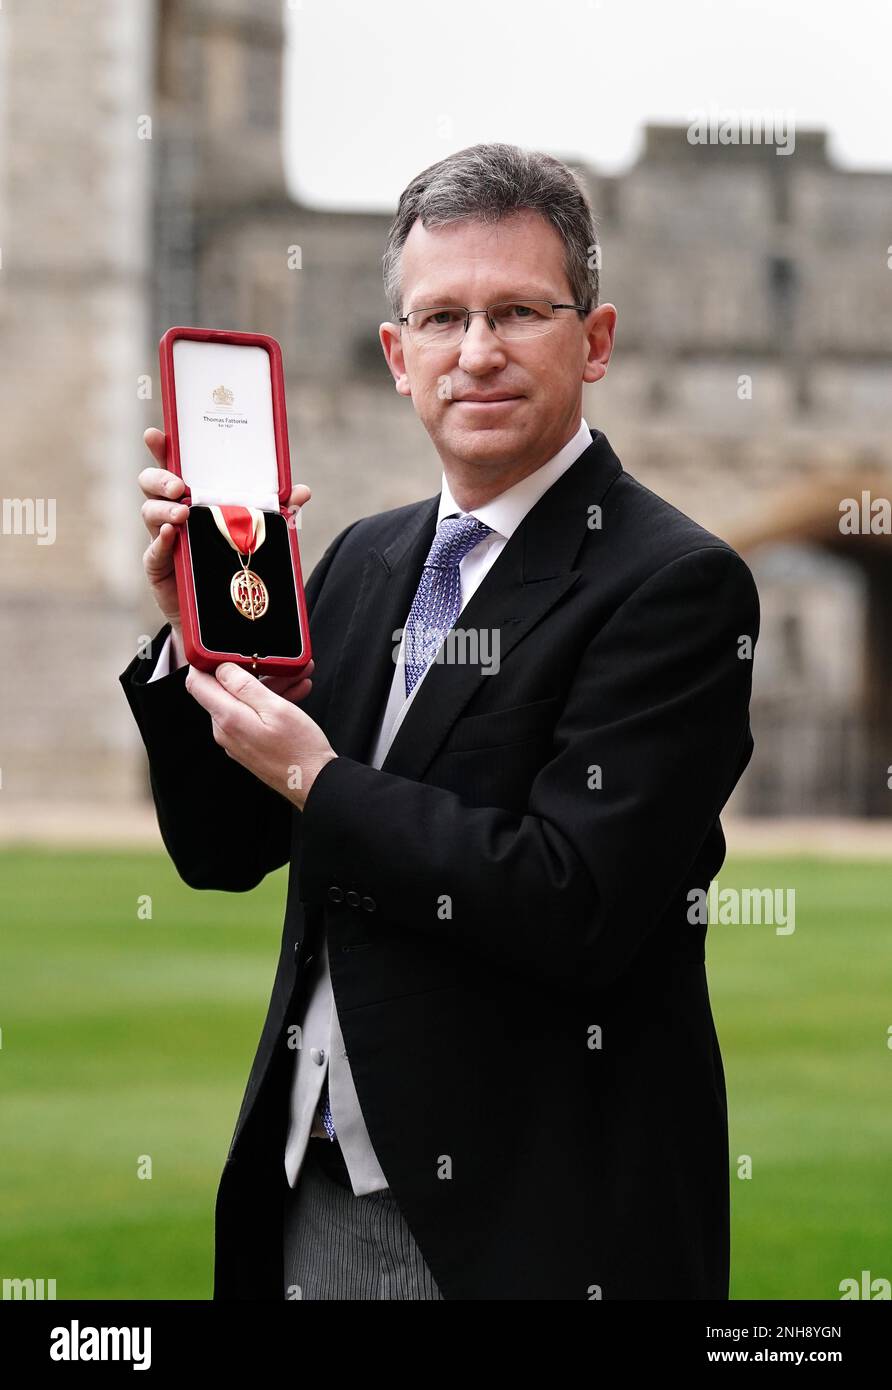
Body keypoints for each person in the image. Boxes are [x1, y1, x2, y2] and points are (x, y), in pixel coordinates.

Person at [120, 142, 760, 1300]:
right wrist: (191, 640)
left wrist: (322, 782)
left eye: (518, 310)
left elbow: (577, 902)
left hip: (527, 1228)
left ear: (595, 340)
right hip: (308, 1202)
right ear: (396, 357)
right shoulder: (363, 559)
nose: (477, 352)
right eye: (441, 318)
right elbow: (224, 851)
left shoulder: (674, 585)